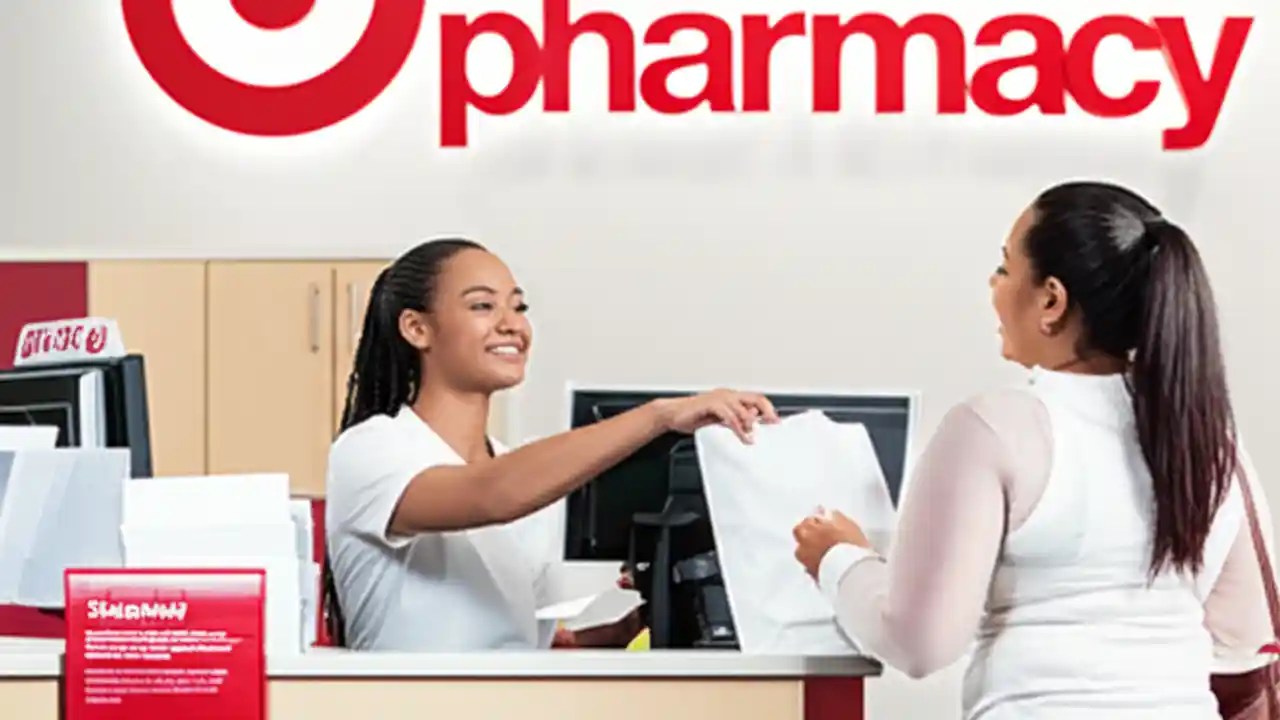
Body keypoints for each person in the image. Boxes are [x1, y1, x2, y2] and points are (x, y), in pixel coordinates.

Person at [792, 181, 1275, 718]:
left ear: (1051, 300)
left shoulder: (994, 430)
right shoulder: (1209, 441)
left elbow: (920, 643)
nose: (993, 284)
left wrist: (838, 559)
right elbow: (1244, 639)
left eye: (1004, 267)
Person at [324, 238, 777, 651]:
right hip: (408, 702)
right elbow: (492, 494)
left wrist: (612, 633)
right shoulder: (370, 450)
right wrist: (658, 416)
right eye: (482, 306)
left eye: (518, 307)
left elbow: (522, 644)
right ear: (416, 328)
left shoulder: (517, 471)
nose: (512, 325)